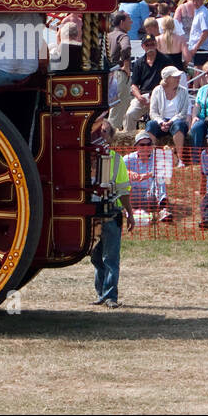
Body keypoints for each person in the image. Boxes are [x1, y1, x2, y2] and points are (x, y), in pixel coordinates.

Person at [90, 119, 131, 309]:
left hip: (111, 213)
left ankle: (110, 296)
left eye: (105, 131)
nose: (101, 134)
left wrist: (129, 213)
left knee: (110, 258)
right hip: (92, 216)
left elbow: (124, 190)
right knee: (97, 258)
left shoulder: (116, 160)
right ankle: (101, 293)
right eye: (98, 131)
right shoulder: (86, 157)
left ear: (111, 137)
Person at [123, 131, 170, 222]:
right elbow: (118, 173)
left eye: (148, 144)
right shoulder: (127, 158)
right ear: (136, 146)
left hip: (149, 195)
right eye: (142, 145)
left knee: (160, 178)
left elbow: (165, 171)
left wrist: (147, 175)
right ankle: (128, 210)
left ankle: (164, 209)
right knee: (122, 181)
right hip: (132, 194)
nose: (146, 147)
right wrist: (129, 173)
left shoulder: (157, 157)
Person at [147, 65, 190, 164]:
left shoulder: (183, 91)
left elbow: (183, 113)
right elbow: (153, 112)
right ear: (167, 79)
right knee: (150, 125)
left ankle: (180, 160)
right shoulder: (157, 90)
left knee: (179, 125)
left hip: (176, 121)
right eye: (175, 77)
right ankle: (151, 157)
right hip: (161, 121)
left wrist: (170, 122)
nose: (178, 78)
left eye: (178, 76)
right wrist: (161, 122)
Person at [124, 35, 165, 132]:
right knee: (130, 114)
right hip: (143, 96)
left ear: (156, 44)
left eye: (152, 44)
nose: (150, 46)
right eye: (147, 45)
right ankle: (130, 141)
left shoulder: (165, 61)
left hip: (160, 96)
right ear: (143, 46)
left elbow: (168, 82)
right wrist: (139, 97)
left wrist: (154, 96)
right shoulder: (139, 63)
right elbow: (133, 85)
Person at [106, 12, 132, 130]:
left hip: (107, 74)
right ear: (122, 22)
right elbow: (125, 48)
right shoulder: (123, 36)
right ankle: (110, 136)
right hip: (119, 74)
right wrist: (126, 65)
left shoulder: (108, 35)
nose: (131, 22)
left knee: (111, 108)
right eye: (129, 20)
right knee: (119, 107)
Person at [183, 0, 208, 67]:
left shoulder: (202, 14)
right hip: (198, 48)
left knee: (199, 72)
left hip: (201, 49)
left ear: (202, 0)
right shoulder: (199, 12)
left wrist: (195, 48)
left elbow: (205, 33)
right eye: (193, 1)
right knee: (197, 72)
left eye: (197, 1)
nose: (195, 3)